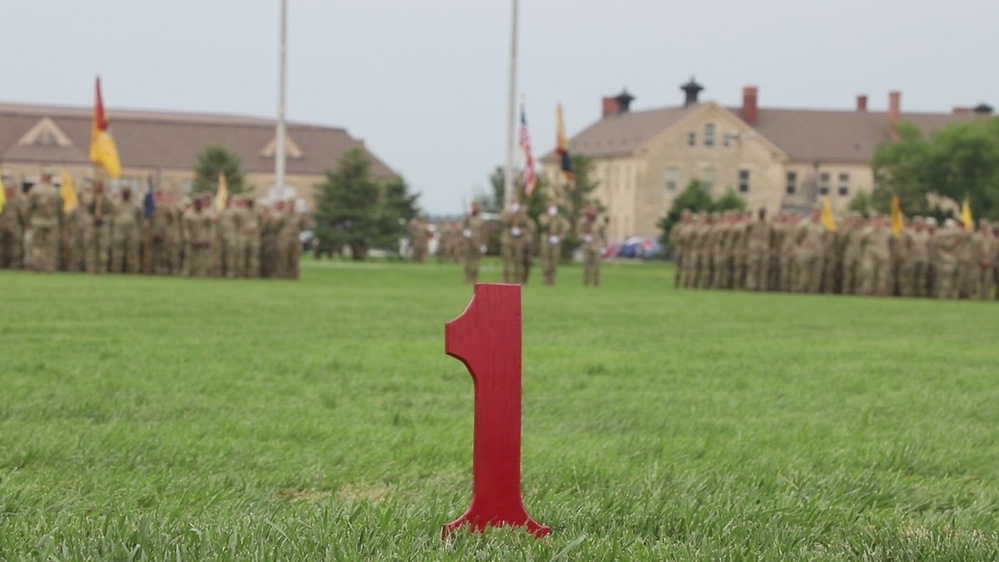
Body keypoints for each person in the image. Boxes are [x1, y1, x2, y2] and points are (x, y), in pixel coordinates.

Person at [26, 172, 63, 273]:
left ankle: (38, 266)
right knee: (51, 246)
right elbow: (60, 209)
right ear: (50, 179)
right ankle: (50, 267)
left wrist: (27, 221)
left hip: (37, 221)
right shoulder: (56, 191)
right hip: (52, 222)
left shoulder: (34, 190)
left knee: (38, 246)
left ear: (42, 178)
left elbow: (28, 208)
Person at [110, 187, 143, 274]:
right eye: (125, 192)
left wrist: (138, 230)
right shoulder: (116, 204)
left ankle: (133, 271)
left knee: (132, 253)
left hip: (132, 231)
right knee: (117, 252)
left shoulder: (136, 205)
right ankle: (116, 271)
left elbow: (140, 219)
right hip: (119, 231)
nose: (126, 194)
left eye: (128, 192)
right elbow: (112, 217)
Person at [537, 203, 569, 286]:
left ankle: (552, 279)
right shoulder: (543, 216)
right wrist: (550, 217)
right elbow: (543, 224)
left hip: (555, 241)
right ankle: (545, 278)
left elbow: (567, 226)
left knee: (554, 261)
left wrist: (560, 236)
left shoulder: (559, 218)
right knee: (545, 261)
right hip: (546, 241)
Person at [575, 203, 606, 287]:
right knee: (586, 266)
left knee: (597, 266)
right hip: (586, 246)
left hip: (596, 245)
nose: (592, 212)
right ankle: (586, 283)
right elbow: (578, 233)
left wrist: (604, 244)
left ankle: (596, 283)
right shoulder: (583, 221)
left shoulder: (600, 222)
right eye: (590, 210)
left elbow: (603, 234)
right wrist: (584, 237)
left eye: (593, 210)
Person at [500, 201, 531, 283]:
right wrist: (511, 214)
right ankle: (506, 280)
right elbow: (505, 222)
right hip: (508, 240)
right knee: (507, 261)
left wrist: (521, 231)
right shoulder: (506, 214)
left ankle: (517, 280)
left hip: (518, 240)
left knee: (518, 260)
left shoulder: (522, 216)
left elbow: (527, 226)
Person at [744, 207, 773, 291]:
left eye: (763, 212)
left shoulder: (768, 225)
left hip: (764, 249)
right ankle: (751, 286)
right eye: (761, 212)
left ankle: (762, 286)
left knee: (764, 269)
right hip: (754, 249)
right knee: (752, 269)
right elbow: (744, 234)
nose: (762, 214)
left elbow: (772, 237)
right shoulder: (752, 224)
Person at [0, 184, 26, 269]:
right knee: (3, 247)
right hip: (5, 227)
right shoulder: (3, 201)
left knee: (15, 247)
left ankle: (14, 264)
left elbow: (22, 215)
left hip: (14, 227)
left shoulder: (17, 201)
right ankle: (3, 264)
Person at [460, 201, 487, 283]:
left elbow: (484, 232)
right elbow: (461, 227)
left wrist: (484, 244)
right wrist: (465, 232)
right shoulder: (467, 218)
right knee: (467, 261)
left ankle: (475, 277)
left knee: (476, 261)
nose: (475, 207)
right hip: (468, 242)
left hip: (477, 242)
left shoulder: (481, 219)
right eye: (473, 206)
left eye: (476, 206)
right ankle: (467, 277)